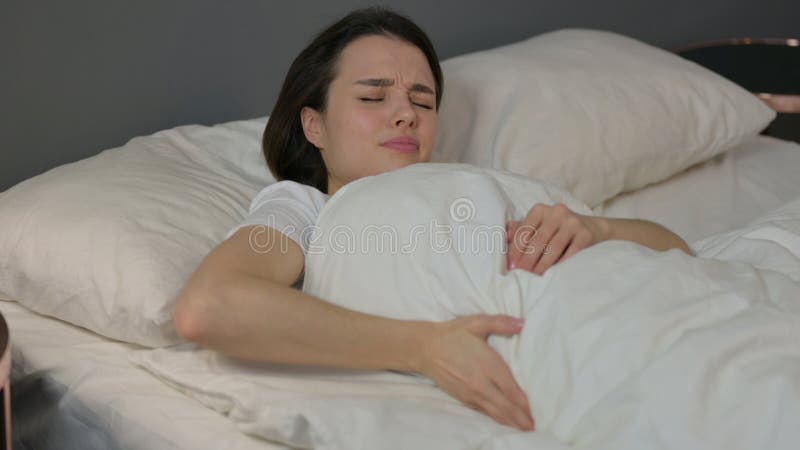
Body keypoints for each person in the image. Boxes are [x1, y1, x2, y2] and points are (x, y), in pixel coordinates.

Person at [173, 6, 692, 433]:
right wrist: (423, 346)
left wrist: (597, 229)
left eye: (422, 101)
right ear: (315, 125)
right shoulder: (305, 208)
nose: (406, 114)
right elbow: (211, 306)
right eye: (373, 97)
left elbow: (681, 253)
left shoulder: (475, 187)